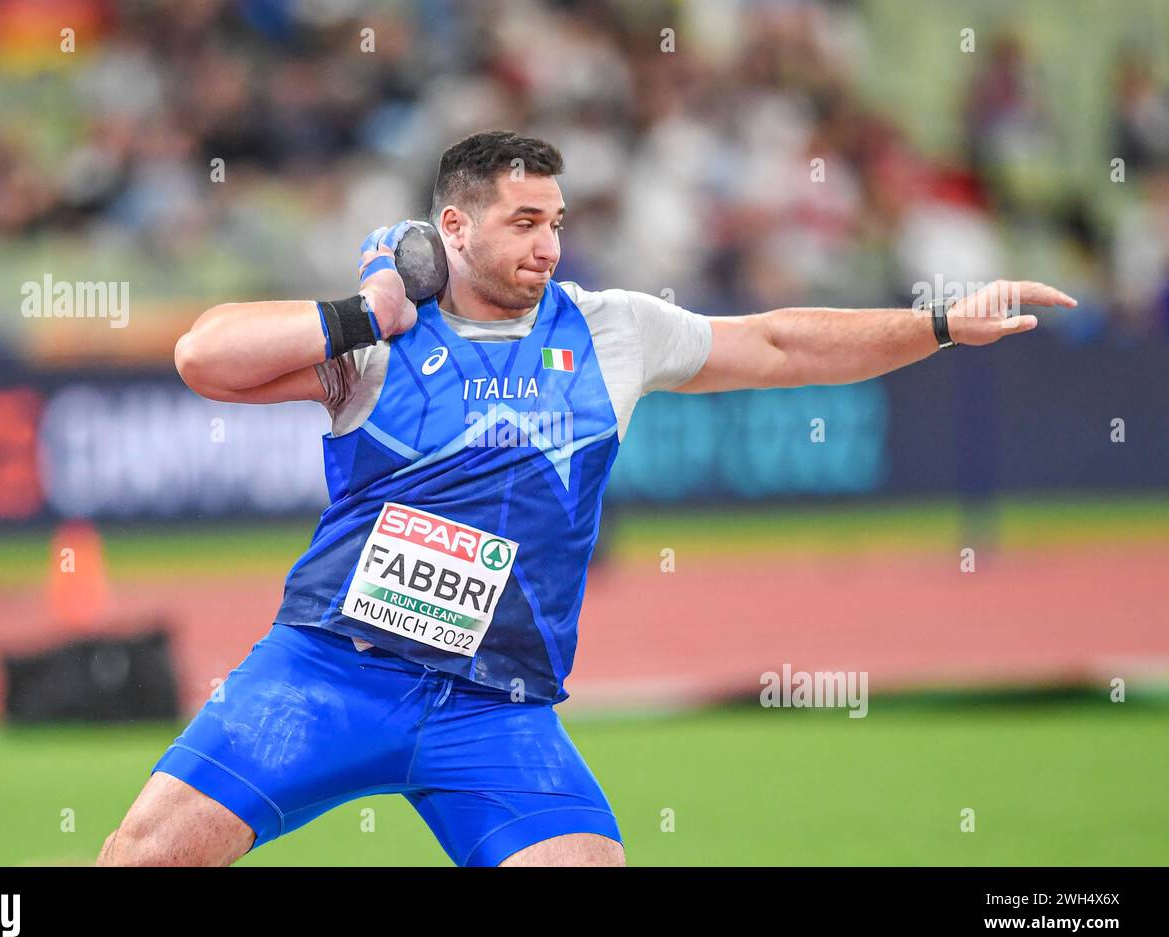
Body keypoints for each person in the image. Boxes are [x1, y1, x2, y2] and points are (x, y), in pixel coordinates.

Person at [97, 129, 1076, 867]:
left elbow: (781, 344)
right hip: (327, 680)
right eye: (523, 223)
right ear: (453, 229)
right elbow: (202, 355)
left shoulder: (614, 331)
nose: (547, 246)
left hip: (495, 709)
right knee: (140, 860)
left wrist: (940, 320)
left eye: (556, 223)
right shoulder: (379, 346)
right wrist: (368, 309)